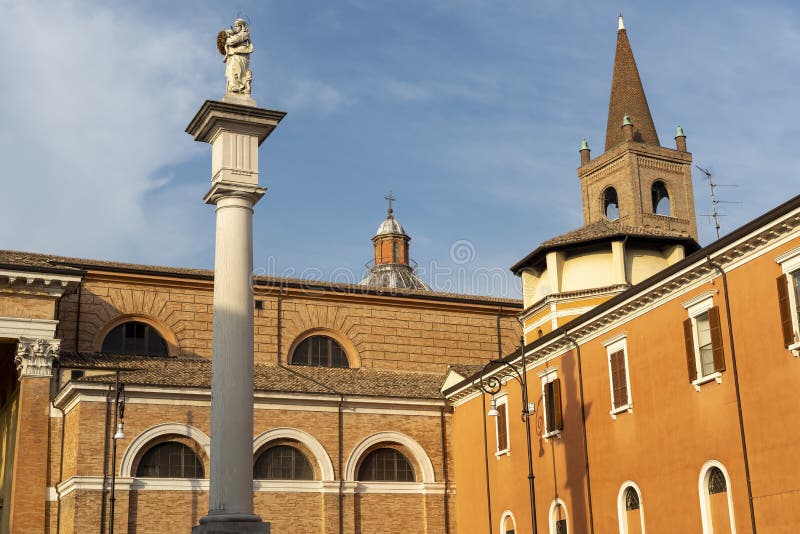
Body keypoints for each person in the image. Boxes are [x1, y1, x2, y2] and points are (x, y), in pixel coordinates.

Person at [222, 19, 253, 95]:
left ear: (242, 26)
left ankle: (238, 87)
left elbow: (233, 41)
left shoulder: (244, 34)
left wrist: (227, 39)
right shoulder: (235, 35)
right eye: (235, 26)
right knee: (230, 71)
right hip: (233, 56)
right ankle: (233, 86)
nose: (235, 28)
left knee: (238, 71)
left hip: (240, 55)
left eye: (237, 26)